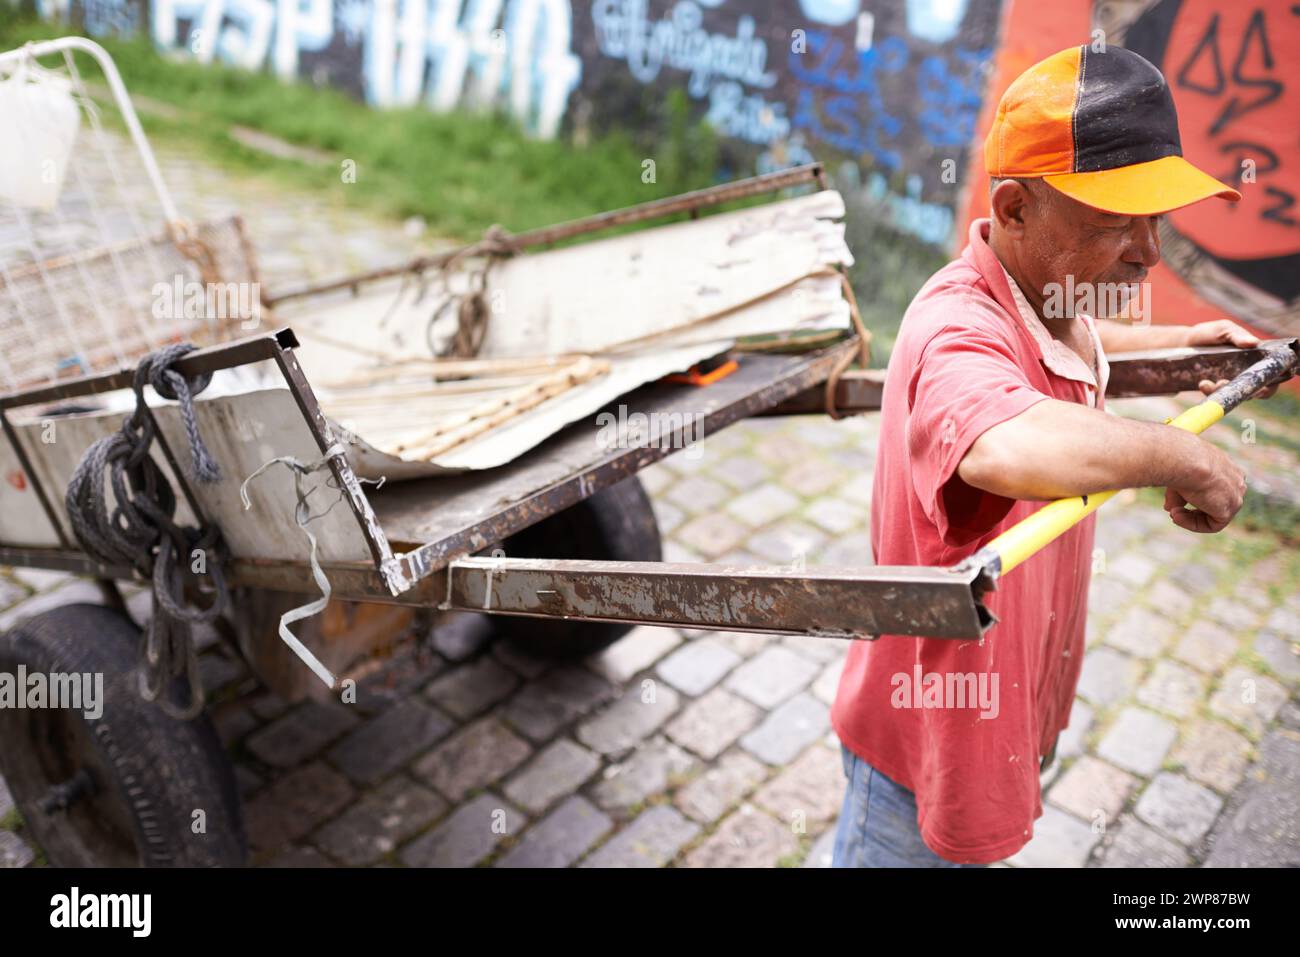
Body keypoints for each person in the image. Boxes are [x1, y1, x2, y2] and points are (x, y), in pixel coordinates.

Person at [830, 43, 1272, 868]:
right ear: (1014, 209)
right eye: (1114, 225)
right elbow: (1002, 440)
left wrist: (1186, 346)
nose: (1148, 252)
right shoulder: (953, 330)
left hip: (1014, 699)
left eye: (1156, 220)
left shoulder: (1047, 296)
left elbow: (1076, 342)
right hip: (924, 743)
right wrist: (1184, 457)